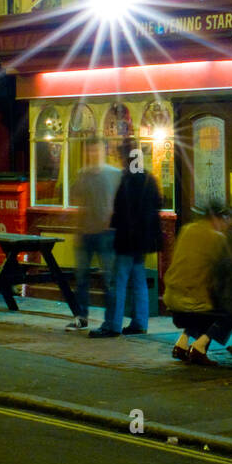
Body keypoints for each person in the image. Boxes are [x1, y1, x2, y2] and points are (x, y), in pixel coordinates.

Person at [92, 136, 163, 338]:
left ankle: (113, 325)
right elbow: (158, 203)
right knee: (139, 280)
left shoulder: (127, 180)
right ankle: (140, 322)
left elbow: (121, 209)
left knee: (119, 280)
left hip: (127, 239)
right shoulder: (149, 179)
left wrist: (112, 226)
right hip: (143, 240)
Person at [163, 201, 232, 366]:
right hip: (191, 301)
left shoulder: (187, 230)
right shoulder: (217, 238)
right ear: (217, 219)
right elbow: (228, 268)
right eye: (226, 219)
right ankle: (199, 348)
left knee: (205, 301)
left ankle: (182, 344)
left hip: (172, 296)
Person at [65, 137, 121, 332]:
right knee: (81, 278)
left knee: (109, 281)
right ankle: (81, 317)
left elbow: (122, 203)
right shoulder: (83, 174)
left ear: (103, 151)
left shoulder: (114, 174)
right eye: (89, 151)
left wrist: (114, 223)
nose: (93, 154)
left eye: (96, 150)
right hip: (85, 232)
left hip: (107, 234)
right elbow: (79, 202)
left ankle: (111, 323)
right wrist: (77, 229)